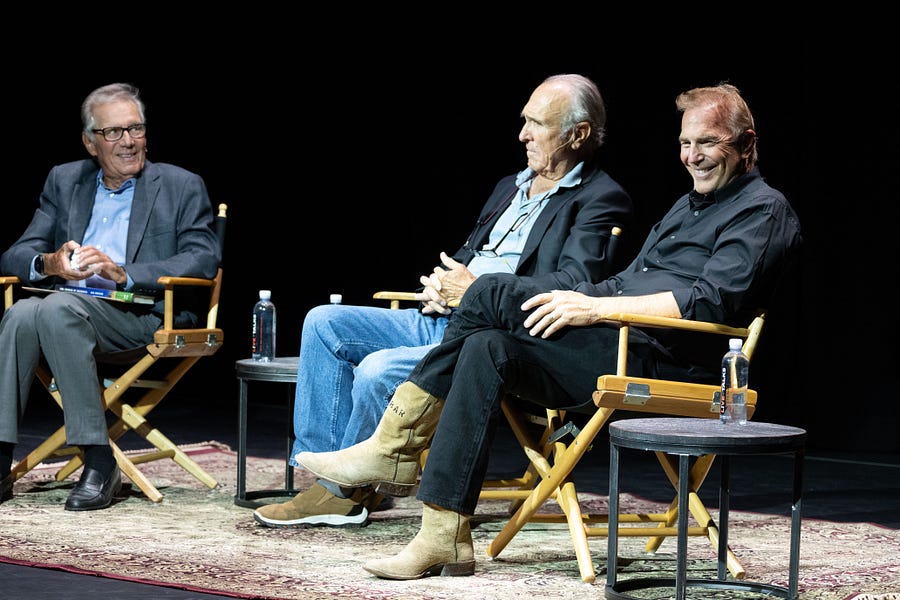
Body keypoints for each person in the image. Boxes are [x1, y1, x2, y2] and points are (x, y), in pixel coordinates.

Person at [295, 83, 803, 579]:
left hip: (659, 359)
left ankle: (396, 444)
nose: (693, 156)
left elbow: (710, 301)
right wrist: (582, 299)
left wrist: (595, 310)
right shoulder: (686, 204)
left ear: (746, 143)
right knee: (486, 343)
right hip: (618, 340)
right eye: (685, 143)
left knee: (490, 290)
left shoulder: (764, 210)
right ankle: (443, 531)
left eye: (708, 142)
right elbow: (624, 281)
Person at [253, 74, 634, 528]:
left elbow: (575, 280)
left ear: (579, 134)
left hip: (494, 332)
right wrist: (440, 283)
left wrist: (474, 287)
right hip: (443, 315)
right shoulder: (509, 186)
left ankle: (342, 493)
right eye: (523, 121)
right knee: (323, 321)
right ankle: (321, 472)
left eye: (536, 124)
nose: (522, 134)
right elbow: (471, 254)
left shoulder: (600, 198)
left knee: (378, 370)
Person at [0, 83, 221, 511]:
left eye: (135, 129)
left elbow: (203, 258)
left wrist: (126, 274)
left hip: (142, 314)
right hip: (65, 310)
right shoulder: (65, 180)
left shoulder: (180, 185)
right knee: (22, 314)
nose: (128, 141)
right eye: (114, 132)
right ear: (90, 142)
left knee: (54, 309)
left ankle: (99, 459)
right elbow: (15, 253)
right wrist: (49, 263)